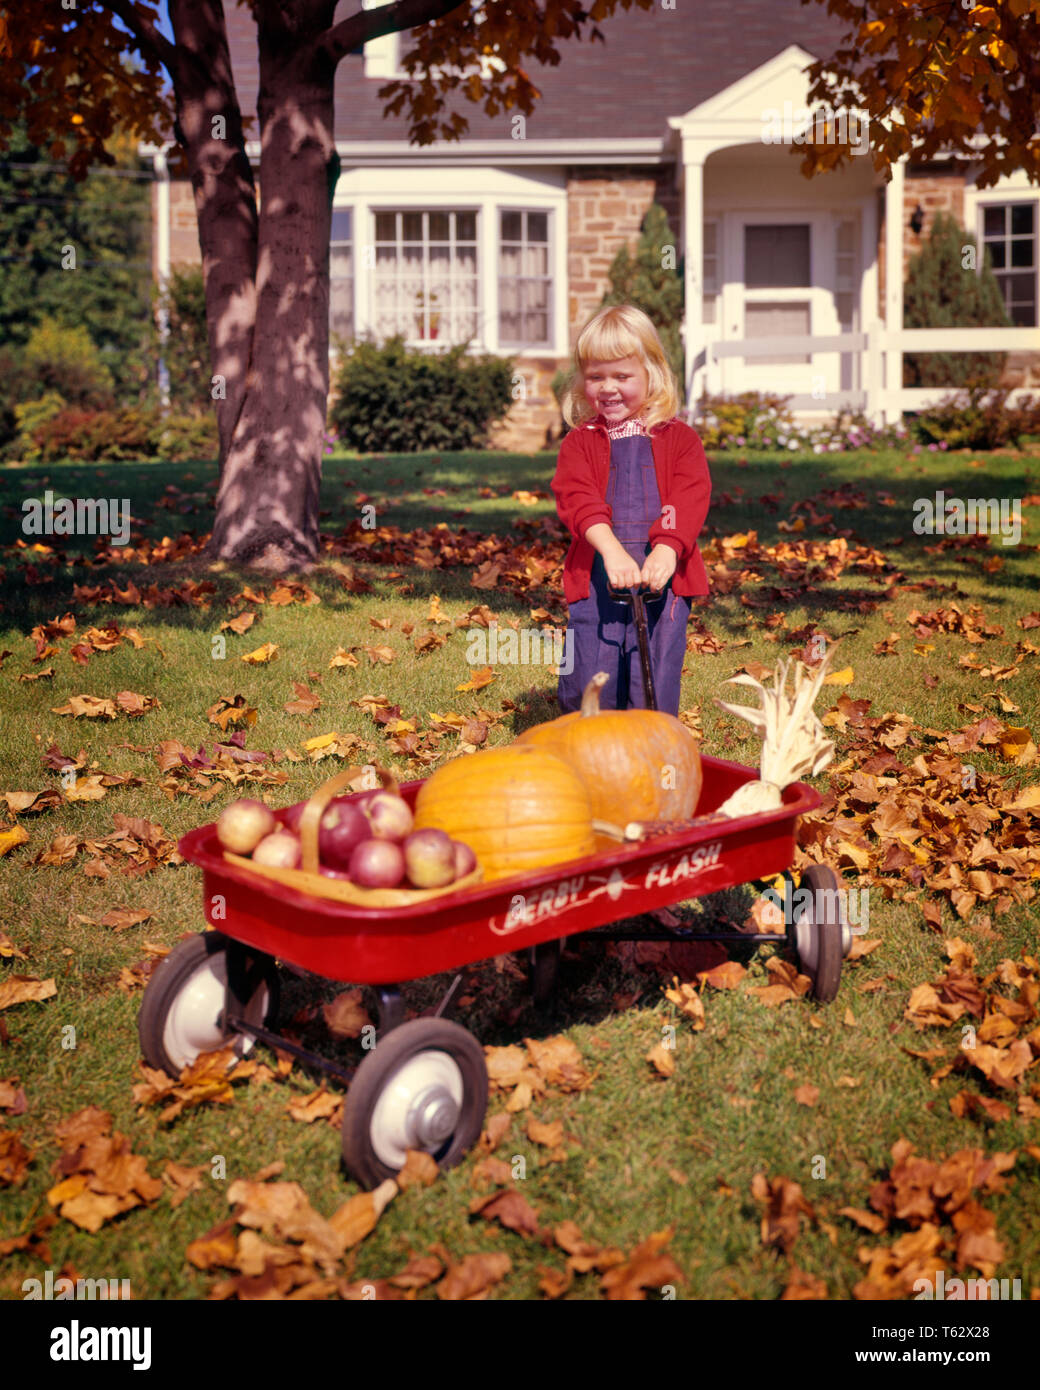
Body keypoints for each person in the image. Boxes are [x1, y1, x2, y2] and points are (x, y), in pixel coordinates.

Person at [551, 303, 712, 718]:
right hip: (600, 572)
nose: (608, 387)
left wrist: (667, 548)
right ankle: (588, 754)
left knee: (652, 677)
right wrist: (611, 549)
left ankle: (651, 759)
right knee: (591, 670)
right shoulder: (581, 442)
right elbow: (578, 499)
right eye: (596, 377)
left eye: (622, 376)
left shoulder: (679, 439)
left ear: (651, 373)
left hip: (665, 577)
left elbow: (688, 496)